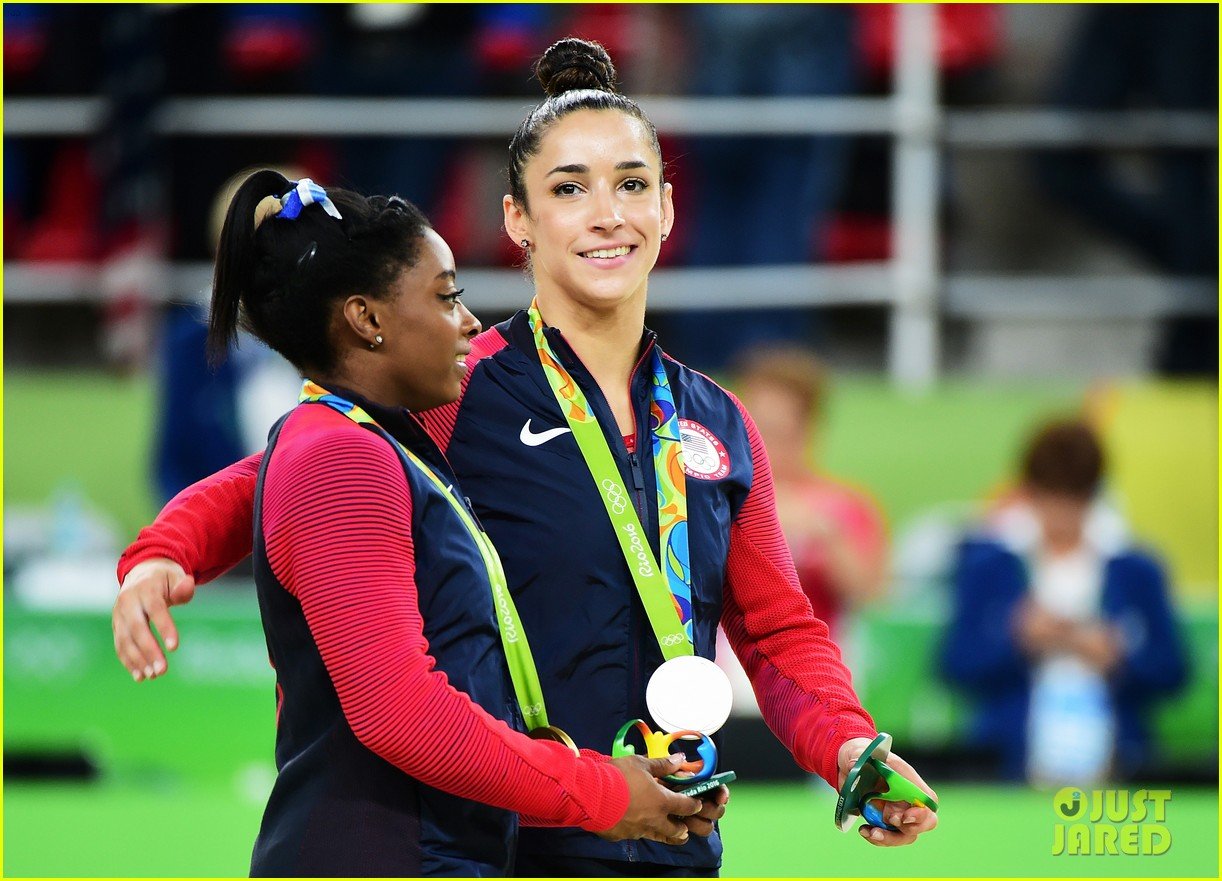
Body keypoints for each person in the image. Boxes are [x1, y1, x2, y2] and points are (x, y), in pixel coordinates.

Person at [114, 40, 938, 875]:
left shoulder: (714, 420)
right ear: (517, 219)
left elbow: (776, 631)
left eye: (631, 184)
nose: (607, 213)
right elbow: (291, 472)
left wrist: (848, 749)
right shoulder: (458, 389)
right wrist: (165, 552)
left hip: (671, 839)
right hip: (511, 844)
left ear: (668, 207)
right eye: (569, 188)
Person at [114, 168, 707, 876]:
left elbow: (274, 467)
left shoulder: (370, 435)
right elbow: (399, 710)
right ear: (367, 319)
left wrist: (168, 547)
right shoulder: (357, 445)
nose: (471, 319)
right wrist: (599, 791)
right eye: (448, 296)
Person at [940, 419, 1189, 784]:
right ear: (1030, 493)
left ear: (1093, 495)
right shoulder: (990, 564)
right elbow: (955, 663)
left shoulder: (1135, 568)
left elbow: (1173, 670)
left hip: (1117, 765)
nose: (1061, 516)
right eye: (1050, 498)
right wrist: (1016, 639)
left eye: (1075, 500)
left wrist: (1120, 656)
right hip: (1011, 767)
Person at [732, 345, 888, 638]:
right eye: (751, 429)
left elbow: (871, 592)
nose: (760, 445)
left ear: (807, 429)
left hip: (815, 656)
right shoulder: (718, 495)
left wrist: (824, 533)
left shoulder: (843, 504)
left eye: (776, 431)